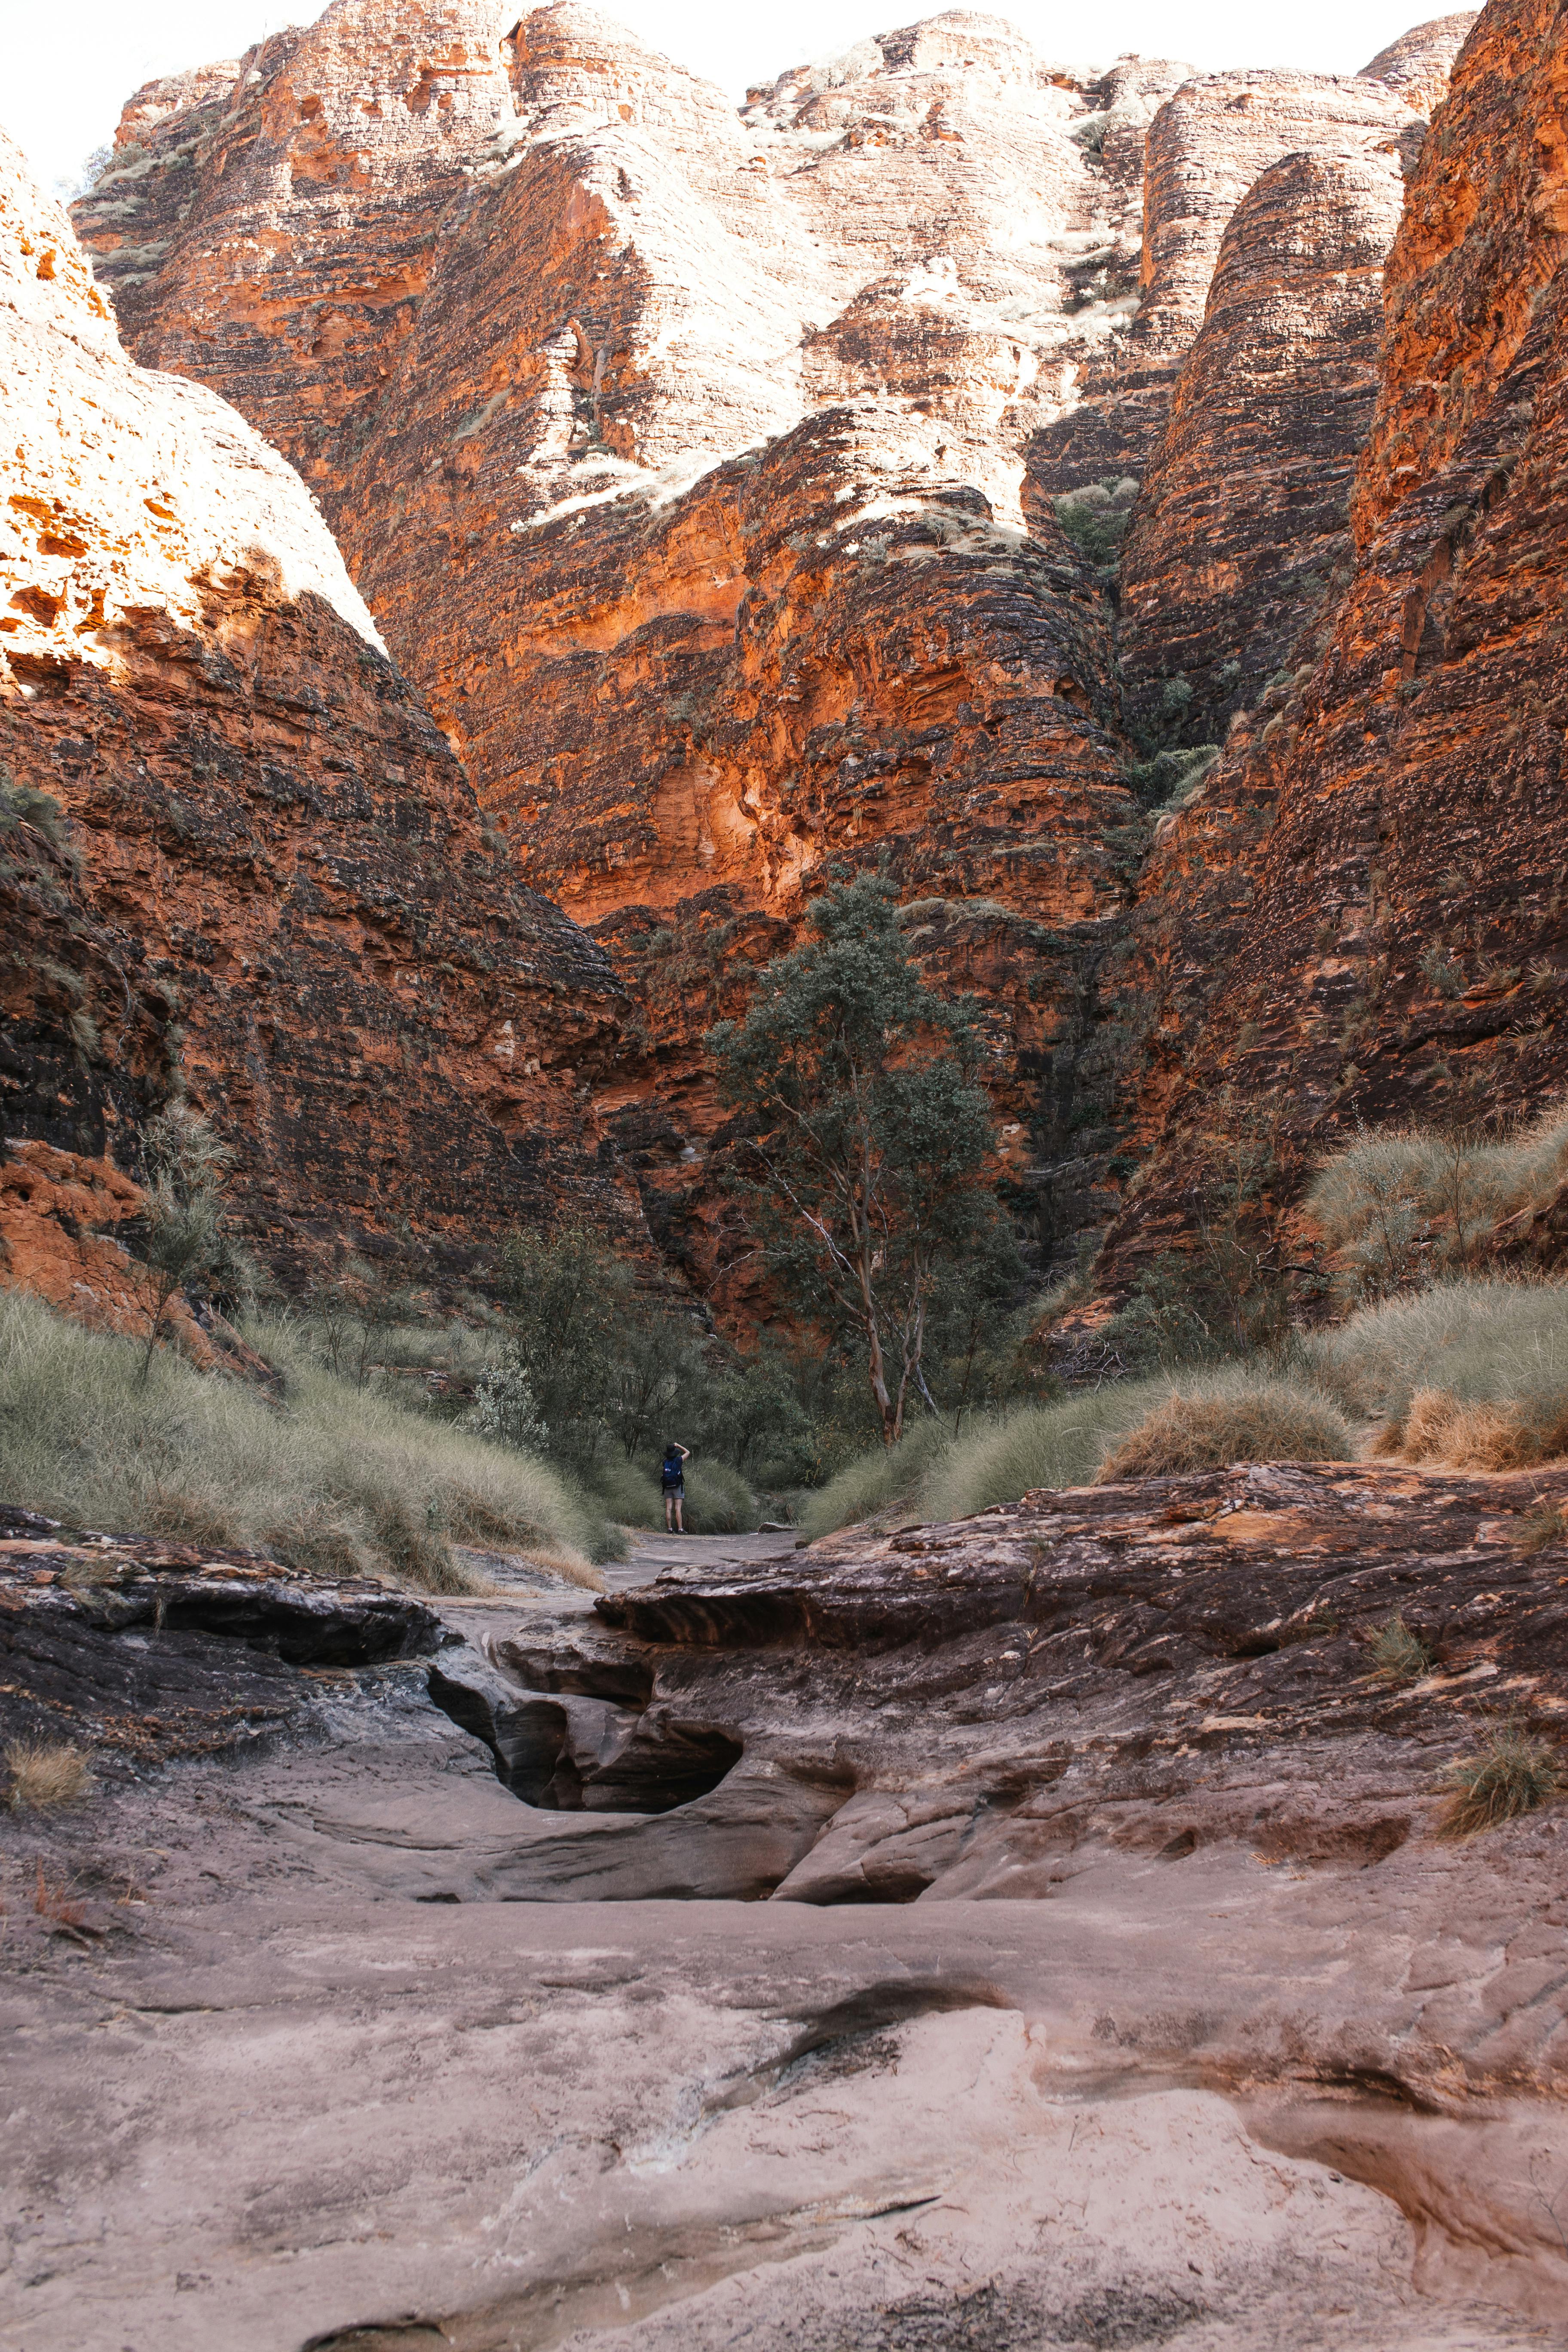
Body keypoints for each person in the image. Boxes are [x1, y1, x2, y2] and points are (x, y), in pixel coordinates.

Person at [660, 1439, 691, 1532]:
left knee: (668, 1508)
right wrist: (678, 1445)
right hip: (677, 1486)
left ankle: (670, 1529)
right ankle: (680, 1529)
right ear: (675, 1452)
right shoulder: (679, 1460)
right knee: (678, 1508)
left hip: (667, 1486)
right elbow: (688, 1452)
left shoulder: (665, 1462)